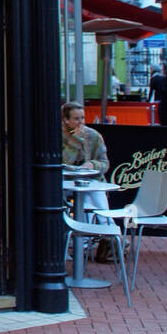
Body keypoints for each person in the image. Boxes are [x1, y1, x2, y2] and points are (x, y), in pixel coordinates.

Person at [62, 101, 116, 262]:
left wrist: (93, 164)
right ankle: (102, 233)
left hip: (89, 181)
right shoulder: (57, 136)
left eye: (83, 118)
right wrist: (75, 141)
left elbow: (105, 164)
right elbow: (64, 161)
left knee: (94, 192)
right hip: (64, 183)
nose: (81, 122)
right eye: (76, 119)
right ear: (65, 120)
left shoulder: (94, 136)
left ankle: (107, 232)